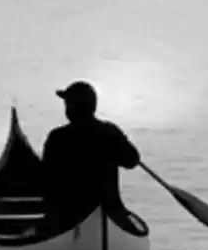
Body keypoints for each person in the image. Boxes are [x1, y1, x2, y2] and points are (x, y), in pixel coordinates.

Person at [40, 81, 141, 229]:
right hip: (110, 213)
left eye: (67, 103)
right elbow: (132, 161)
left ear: (72, 107)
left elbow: (46, 178)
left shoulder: (58, 137)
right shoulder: (109, 132)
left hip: (67, 216)